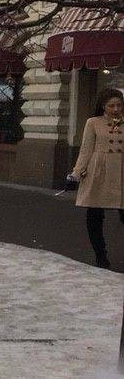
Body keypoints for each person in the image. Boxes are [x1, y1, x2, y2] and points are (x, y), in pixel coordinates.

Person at [69, 87, 124, 268]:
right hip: (99, 171)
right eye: (111, 106)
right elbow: (86, 150)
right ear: (103, 106)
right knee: (95, 216)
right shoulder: (93, 122)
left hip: (121, 171)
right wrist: (76, 173)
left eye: (119, 105)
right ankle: (101, 255)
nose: (116, 109)